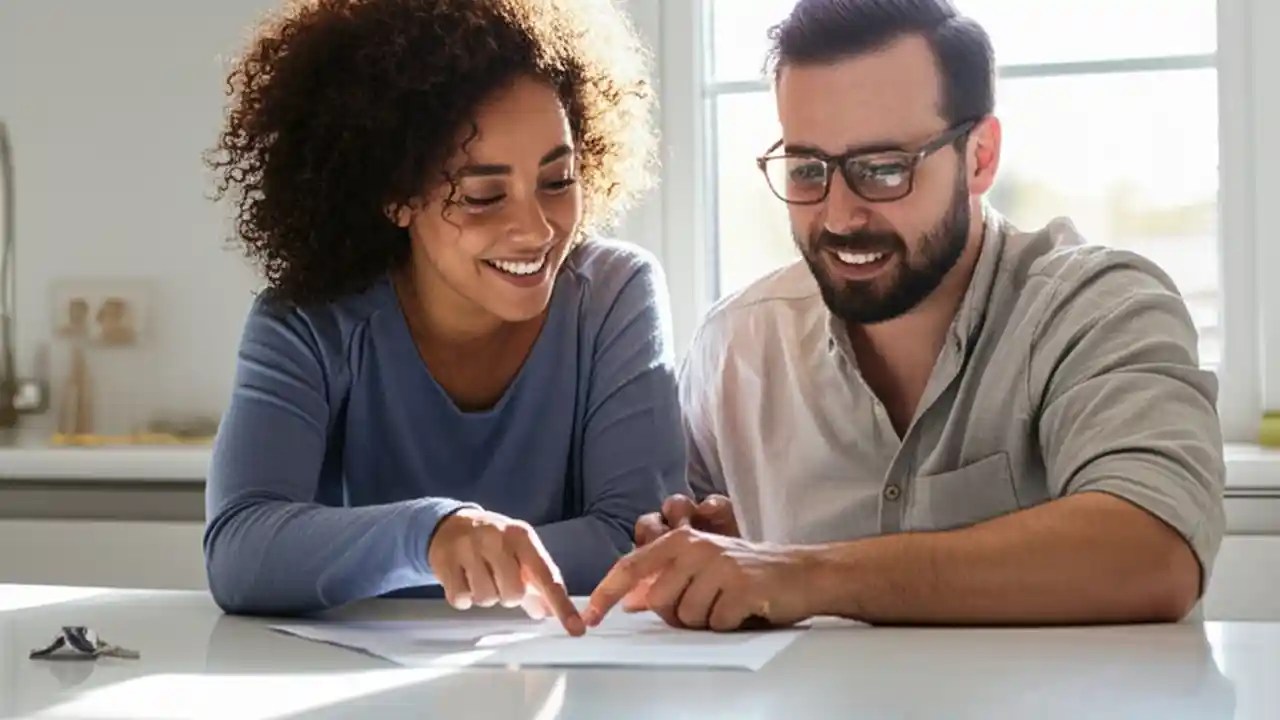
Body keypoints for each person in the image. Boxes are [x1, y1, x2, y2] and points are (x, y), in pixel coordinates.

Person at [585, 0, 1225, 631]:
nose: (838, 216)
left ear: (979, 157)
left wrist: (804, 574)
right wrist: (705, 563)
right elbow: (706, 554)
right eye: (808, 170)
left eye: (884, 169)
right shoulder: (736, 347)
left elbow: (1153, 549)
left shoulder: (1099, 307)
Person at [203, 0, 686, 636]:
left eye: (558, 180)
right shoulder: (307, 323)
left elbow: (638, 544)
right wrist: (430, 533)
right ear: (396, 194)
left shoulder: (614, 295)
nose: (538, 229)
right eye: (484, 196)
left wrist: (443, 557)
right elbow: (240, 552)